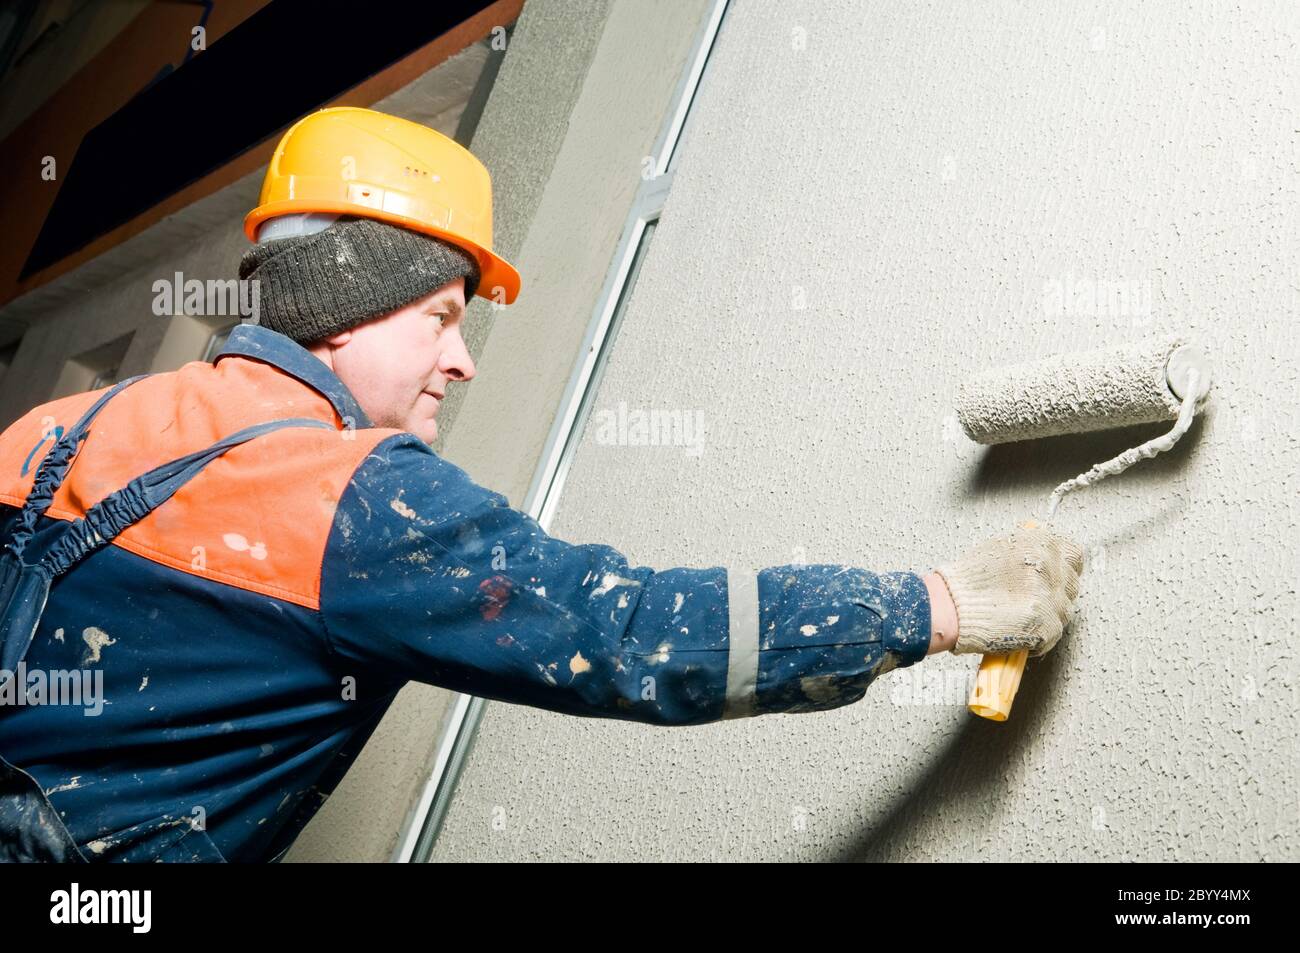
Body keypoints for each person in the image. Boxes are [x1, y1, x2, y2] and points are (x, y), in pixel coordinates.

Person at [0, 108, 1082, 863]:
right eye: (441, 314)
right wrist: (935, 604)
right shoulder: (349, 496)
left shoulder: (54, 426)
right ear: (344, 300)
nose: (462, 359)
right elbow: (631, 631)